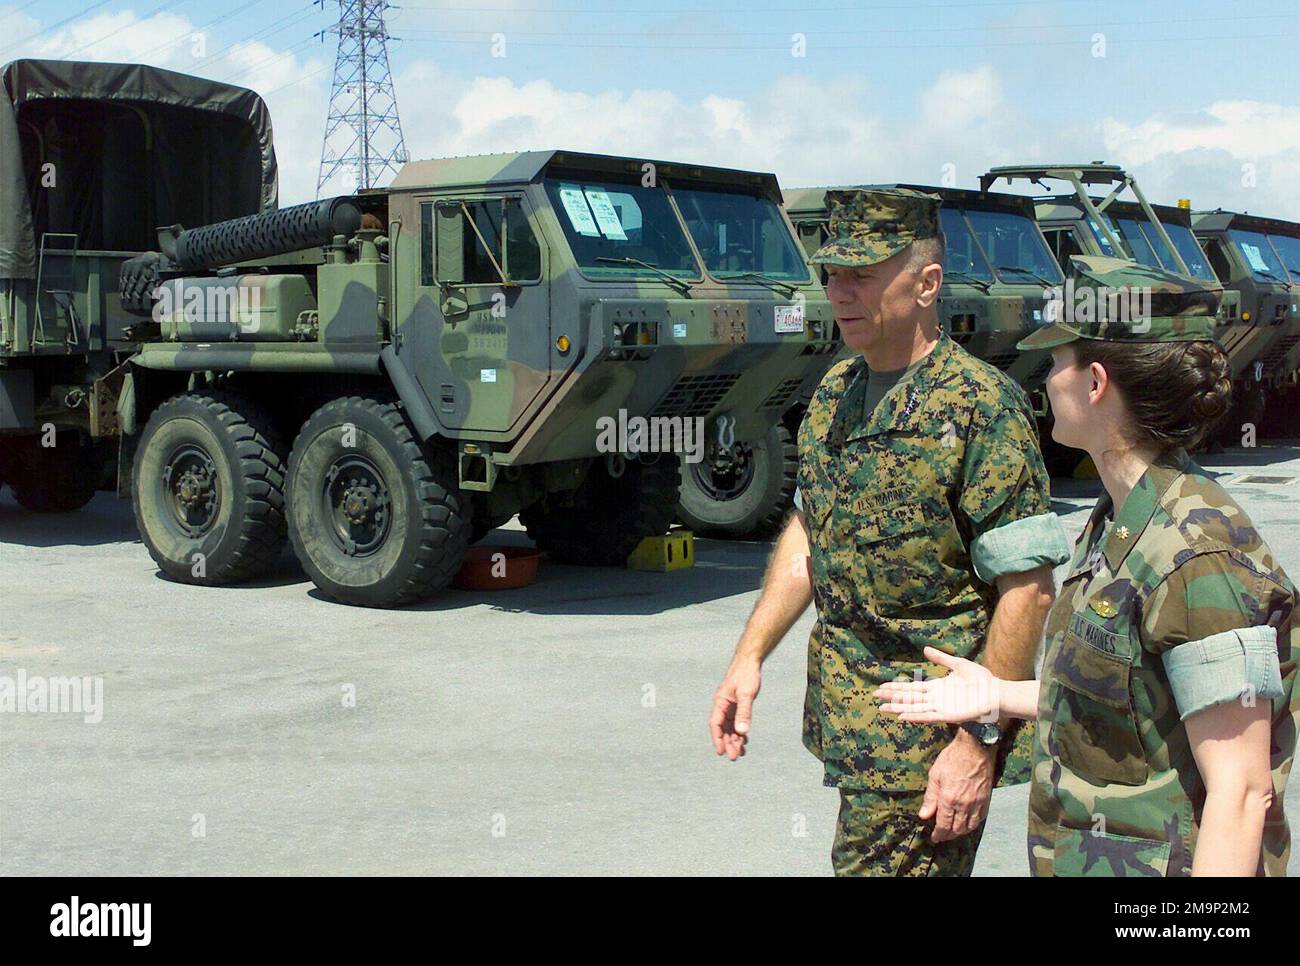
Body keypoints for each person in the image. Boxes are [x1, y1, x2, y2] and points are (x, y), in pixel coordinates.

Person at [876, 260, 1299, 876]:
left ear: (1094, 382)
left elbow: (1240, 794)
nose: (1046, 381)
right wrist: (1000, 694)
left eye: (1055, 363)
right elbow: (1135, 699)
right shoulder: (1123, 519)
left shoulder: (1198, 555)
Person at [709, 187, 1070, 876]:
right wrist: (749, 656)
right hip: (854, 731)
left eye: (863, 276)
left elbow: (1028, 592)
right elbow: (811, 531)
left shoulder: (978, 408)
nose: (840, 292)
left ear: (928, 282)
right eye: (833, 274)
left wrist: (977, 742)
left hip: (929, 744)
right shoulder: (837, 391)